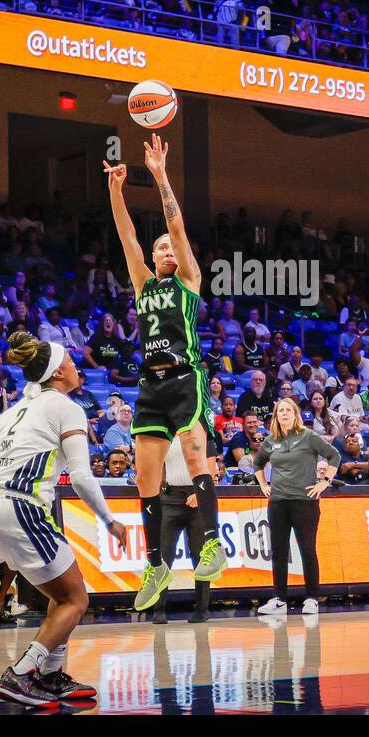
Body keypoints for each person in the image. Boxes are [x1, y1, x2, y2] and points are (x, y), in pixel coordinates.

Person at [0, 333, 127, 708]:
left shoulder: (13, 411)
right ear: (55, 373)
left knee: (62, 592)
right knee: (76, 598)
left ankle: (51, 676)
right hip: (19, 507)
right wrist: (108, 519)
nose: (74, 365)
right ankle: (22, 672)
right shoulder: (66, 407)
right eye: (68, 360)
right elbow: (82, 478)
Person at [105, 134, 225, 611]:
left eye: (170, 247)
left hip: (184, 376)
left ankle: (212, 545)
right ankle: (156, 562)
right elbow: (127, 236)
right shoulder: (141, 282)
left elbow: (175, 226)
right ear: (154, 258)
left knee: (197, 455)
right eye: (160, 249)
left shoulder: (189, 279)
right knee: (145, 478)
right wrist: (115, 190)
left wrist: (158, 175)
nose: (167, 250)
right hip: (151, 383)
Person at [253, 399, 340, 616]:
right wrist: (264, 485)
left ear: (295, 414)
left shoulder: (308, 436)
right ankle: (279, 599)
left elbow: (334, 455)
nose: (284, 414)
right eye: (280, 411)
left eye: (288, 410)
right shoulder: (271, 440)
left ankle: (311, 598)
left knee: (307, 550)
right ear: (276, 416)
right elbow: (257, 463)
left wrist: (325, 482)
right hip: (278, 503)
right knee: (279, 551)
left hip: (305, 502)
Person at [152, 433, 221, 625]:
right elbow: (159, 466)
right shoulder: (164, 437)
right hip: (170, 498)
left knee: (201, 556)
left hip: (197, 496)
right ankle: (159, 609)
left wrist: (200, 493)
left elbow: (210, 470)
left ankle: (202, 608)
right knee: (163, 554)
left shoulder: (204, 438)